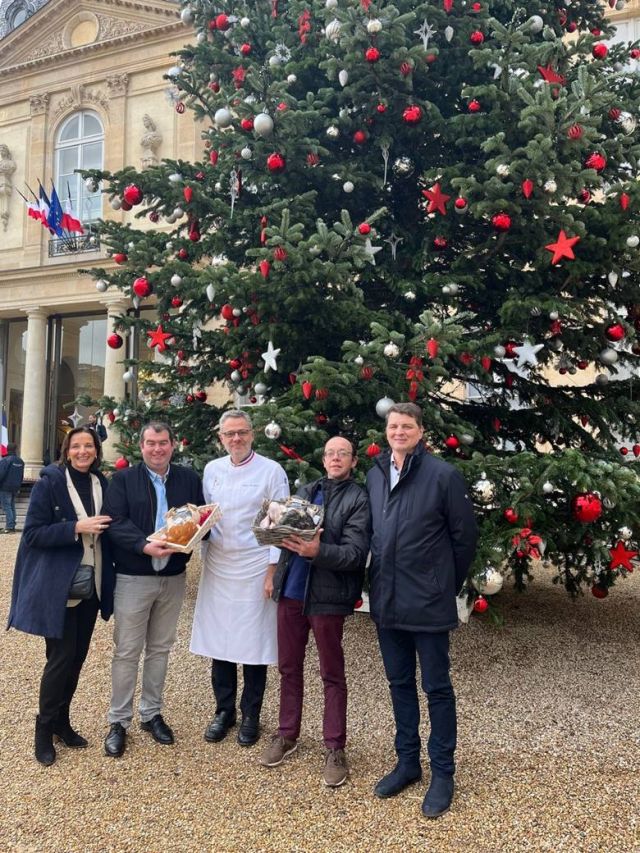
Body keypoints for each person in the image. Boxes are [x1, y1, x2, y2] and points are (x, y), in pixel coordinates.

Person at [366, 402, 478, 819]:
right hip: (387, 601)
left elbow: (464, 538)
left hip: (427, 602)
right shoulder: (376, 474)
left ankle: (443, 772)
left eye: (407, 426)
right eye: (393, 425)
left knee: (437, 688)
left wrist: (441, 583)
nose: (399, 431)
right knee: (398, 684)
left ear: (420, 431)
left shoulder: (443, 476)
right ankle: (408, 762)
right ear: (387, 430)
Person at [260, 435, 370, 787]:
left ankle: (335, 747)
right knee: (289, 667)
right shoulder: (306, 490)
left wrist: (317, 552)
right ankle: (286, 733)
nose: (336, 458)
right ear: (323, 459)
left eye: (343, 454)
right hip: (291, 591)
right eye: (330, 453)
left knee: (331, 673)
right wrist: (272, 530)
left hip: (327, 595)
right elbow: (283, 534)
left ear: (353, 461)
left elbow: (355, 555)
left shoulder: (359, 498)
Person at [7, 427, 114, 766]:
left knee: (77, 659)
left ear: (96, 450)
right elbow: (34, 534)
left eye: (89, 446)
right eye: (76, 446)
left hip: (92, 585)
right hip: (61, 588)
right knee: (60, 659)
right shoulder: (51, 482)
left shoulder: (102, 484)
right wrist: (75, 528)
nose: (83, 451)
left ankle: (62, 722)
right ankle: (43, 729)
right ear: (67, 450)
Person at [102, 421, 203, 758]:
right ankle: (118, 721)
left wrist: (194, 537)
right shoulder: (124, 479)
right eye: (150, 443)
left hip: (173, 577)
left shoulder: (188, 479)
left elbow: (199, 518)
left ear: (173, 445)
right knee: (127, 651)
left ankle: (151, 714)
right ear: (141, 446)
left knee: (160, 649)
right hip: (134, 576)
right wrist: (144, 545)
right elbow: (115, 522)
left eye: (163, 442)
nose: (157, 449)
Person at [190, 409, 289, 747]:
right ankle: (223, 710)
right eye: (229, 434)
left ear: (252, 434)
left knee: (253, 644)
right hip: (219, 565)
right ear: (221, 437)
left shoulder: (271, 471)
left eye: (242, 433)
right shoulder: (212, 470)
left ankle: (251, 715)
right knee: (220, 642)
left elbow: (278, 525)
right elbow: (205, 516)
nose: (236, 439)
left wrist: (272, 572)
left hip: (254, 565)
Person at [0, 441, 25, 533]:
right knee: (12, 506)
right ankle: (12, 525)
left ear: (7, 449)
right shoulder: (20, 461)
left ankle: (9, 527)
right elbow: (21, 475)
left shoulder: (5, 460)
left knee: (7, 506)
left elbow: (1, 474)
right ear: (16, 449)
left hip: (5, 487)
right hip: (16, 487)